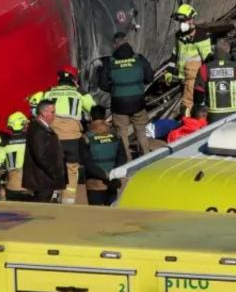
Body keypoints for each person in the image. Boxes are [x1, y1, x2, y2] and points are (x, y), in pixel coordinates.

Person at [42, 66, 94, 204]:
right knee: (72, 169)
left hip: (53, 138)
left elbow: (38, 112)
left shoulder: (49, 92)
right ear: (74, 79)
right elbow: (93, 108)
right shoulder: (79, 92)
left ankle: (52, 193)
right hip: (72, 139)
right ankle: (68, 201)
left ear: (59, 78)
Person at [103, 32, 156, 163]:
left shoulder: (110, 62)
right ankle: (146, 158)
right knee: (141, 132)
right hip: (138, 102)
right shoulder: (139, 58)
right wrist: (138, 86)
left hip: (119, 104)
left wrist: (115, 89)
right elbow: (150, 77)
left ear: (115, 45)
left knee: (122, 134)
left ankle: (127, 162)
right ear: (127, 42)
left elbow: (102, 83)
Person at [195, 37, 236, 122]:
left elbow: (199, 92)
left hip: (213, 116)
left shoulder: (205, 68)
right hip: (235, 115)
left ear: (215, 50)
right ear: (228, 50)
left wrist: (201, 112)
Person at [22, 101, 66, 203]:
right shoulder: (38, 130)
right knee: (41, 209)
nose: (55, 115)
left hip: (44, 178)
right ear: (44, 113)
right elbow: (41, 156)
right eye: (53, 112)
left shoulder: (42, 128)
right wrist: (54, 172)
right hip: (43, 180)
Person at [82, 109, 126, 206]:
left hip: (94, 184)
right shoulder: (116, 136)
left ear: (91, 118)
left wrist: (104, 175)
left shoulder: (86, 138)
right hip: (113, 182)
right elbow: (122, 158)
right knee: (111, 214)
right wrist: (113, 175)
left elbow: (87, 163)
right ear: (105, 118)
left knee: (96, 216)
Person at [173, 17, 211, 119]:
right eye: (180, 21)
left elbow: (207, 59)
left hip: (195, 78)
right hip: (184, 78)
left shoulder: (201, 36)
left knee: (191, 104)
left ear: (192, 20)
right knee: (188, 104)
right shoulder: (179, 35)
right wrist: (171, 73)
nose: (182, 23)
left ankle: (191, 125)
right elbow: (176, 54)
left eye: (184, 20)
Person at [0, 112, 31, 201]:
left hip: (12, 188)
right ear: (22, 125)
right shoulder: (32, 141)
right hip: (30, 189)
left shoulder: (4, 145)